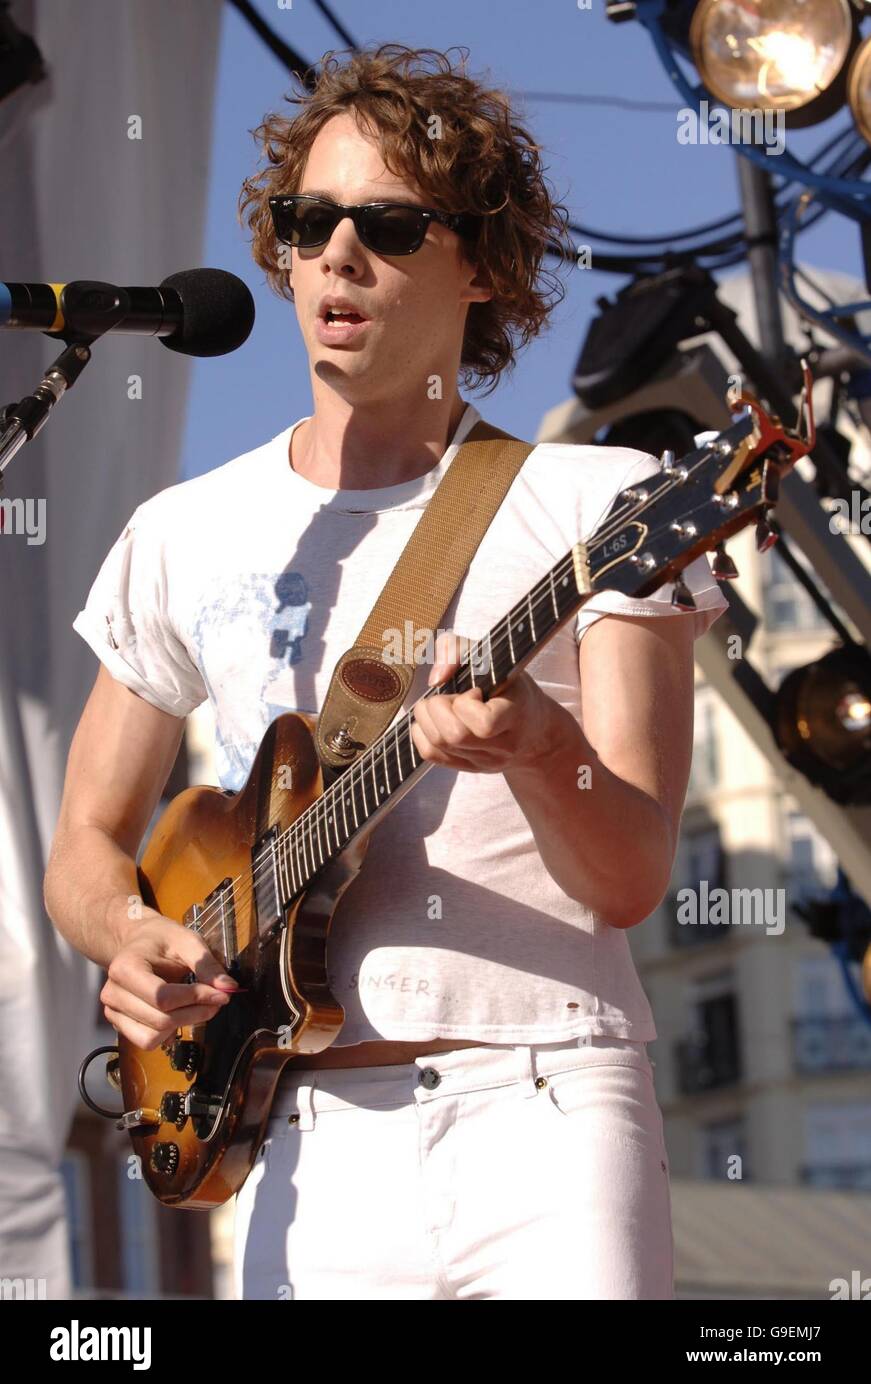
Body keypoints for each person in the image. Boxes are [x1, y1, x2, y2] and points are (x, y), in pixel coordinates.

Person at [44, 44, 728, 1300]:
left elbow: (627, 875)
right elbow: (86, 837)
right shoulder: (182, 529)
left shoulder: (602, 505)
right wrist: (128, 931)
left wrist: (535, 747)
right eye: (310, 221)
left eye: (390, 224)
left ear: (483, 264)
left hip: (545, 1112)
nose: (338, 255)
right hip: (294, 1134)